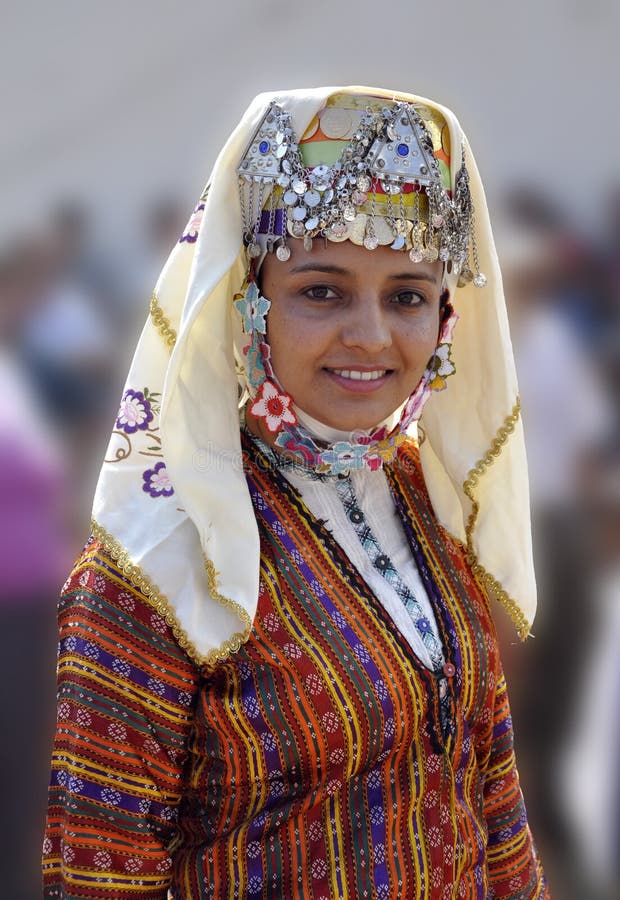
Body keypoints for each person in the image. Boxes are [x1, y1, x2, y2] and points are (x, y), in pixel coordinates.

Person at [42, 87, 549, 898]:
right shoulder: (161, 561)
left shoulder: (426, 495)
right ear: (247, 302)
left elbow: (491, 800)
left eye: (408, 297)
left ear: (448, 318)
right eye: (322, 290)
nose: (371, 336)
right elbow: (96, 876)